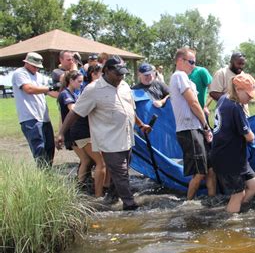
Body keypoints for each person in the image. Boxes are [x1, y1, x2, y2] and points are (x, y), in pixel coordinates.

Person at [56, 55, 151, 210]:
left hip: (126, 138)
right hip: (109, 141)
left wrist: (141, 125)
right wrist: (61, 133)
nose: (120, 77)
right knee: (121, 173)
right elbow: (75, 112)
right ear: (106, 70)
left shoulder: (125, 86)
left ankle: (111, 199)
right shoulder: (93, 90)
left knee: (120, 172)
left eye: (123, 73)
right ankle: (130, 205)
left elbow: (129, 111)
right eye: (117, 73)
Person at [169, 47, 216, 200]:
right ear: (179, 61)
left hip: (197, 128)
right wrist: (206, 125)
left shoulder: (186, 78)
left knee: (210, 169)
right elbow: (193, 102)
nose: (193, 66)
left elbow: (197, 104)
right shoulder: (179, 76)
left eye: (194, 62)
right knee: (200, 172)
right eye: (191, 62)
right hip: (189, 130)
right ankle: (188, 204)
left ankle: (212, 200)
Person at [211, 73, 255, 213]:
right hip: (228, 158)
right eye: (249, 94)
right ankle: (231, 222)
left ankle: (236, 207)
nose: (251, 97)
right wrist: (252, 136)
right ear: (238, 90)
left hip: (234, 157)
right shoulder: (235, 108)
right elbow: (249, 136)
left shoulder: (223, 99)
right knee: (238, 193)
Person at [12, 52, 59, 168]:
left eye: (38, 66)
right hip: (30, 118)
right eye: (34, 66)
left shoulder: (39, 76)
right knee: (39, 149)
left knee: (49, 148)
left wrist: (63, 91)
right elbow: (29, 89)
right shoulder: (20, 73)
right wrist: (51, 87)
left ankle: (47, 174)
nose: (36, 68)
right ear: (26, 63)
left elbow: (51, 92)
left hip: (44, 118)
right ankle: (43, 176)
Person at [67, 67, 108, 197]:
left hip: (82, 131)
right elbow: (73, 111)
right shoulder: (93, 89)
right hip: (82, 132)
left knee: (86, 160)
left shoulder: (95, 88)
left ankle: (82, 187)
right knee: (101, 162)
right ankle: (99, 195)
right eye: (102, 73)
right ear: (94, 74)